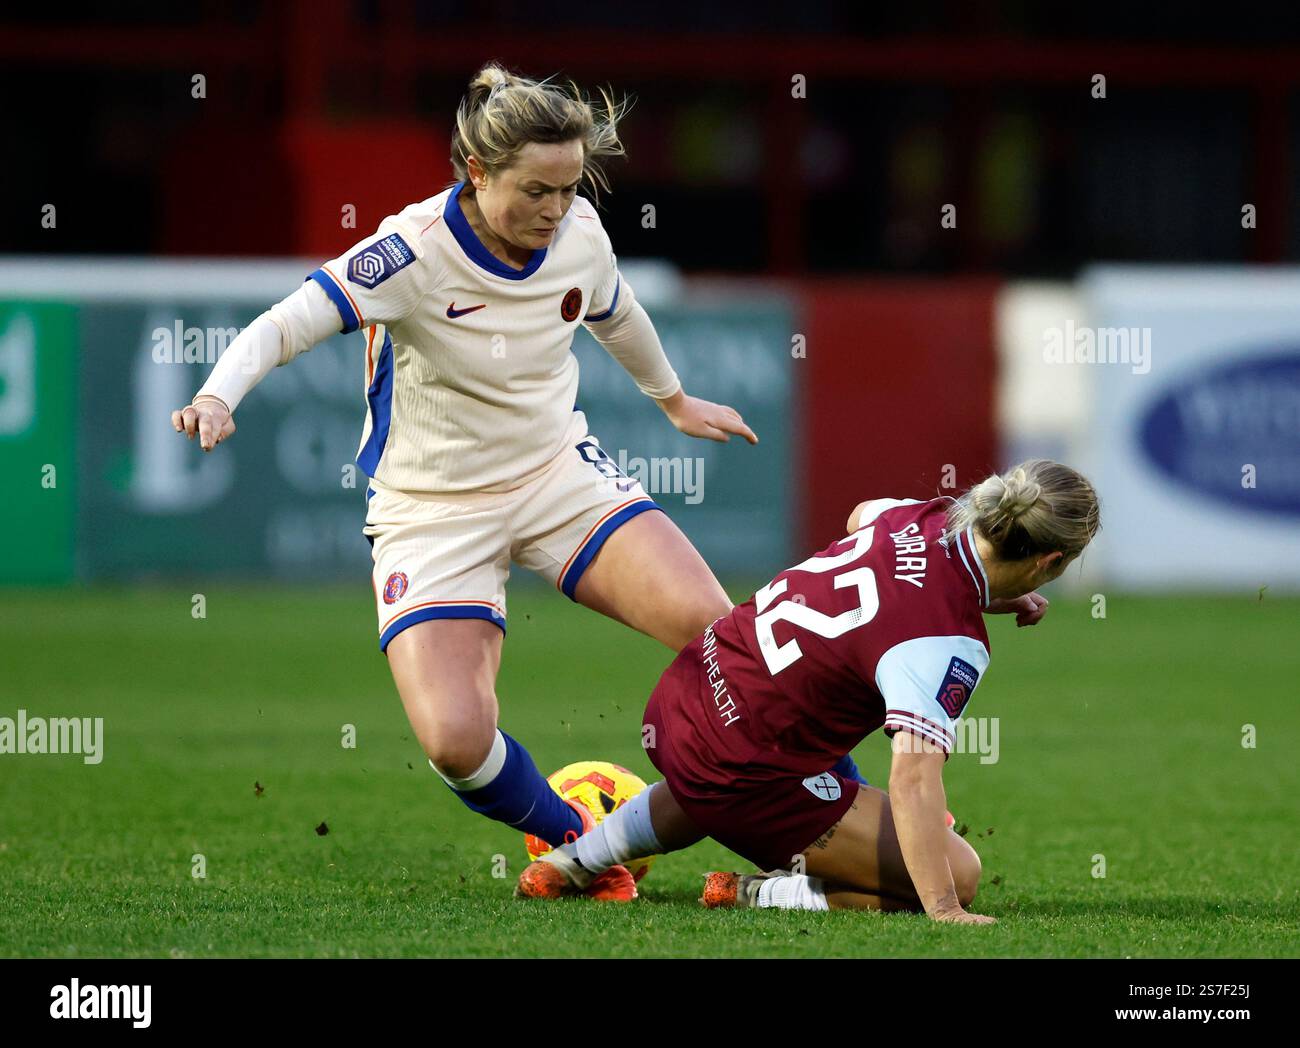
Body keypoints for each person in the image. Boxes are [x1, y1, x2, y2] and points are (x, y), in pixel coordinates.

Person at [169, 63, 759, 869]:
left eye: (569, 187)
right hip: (432, 508)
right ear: (477, 173)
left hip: (558, 476)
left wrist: (673, 400)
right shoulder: (410, 252)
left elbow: (614, 309)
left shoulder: (579, 231)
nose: (556, 210)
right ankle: (582, 845)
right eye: (535, 191)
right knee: (454, 739)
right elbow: (286, 323)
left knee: (725, 638)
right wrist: (217, 394)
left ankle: (817, 825)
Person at [518, 461, 1101, 923]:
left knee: (740, 758)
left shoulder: (923, 516)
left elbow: (860, 518)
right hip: (740, 771)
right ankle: (763, 895)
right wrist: (944, 907)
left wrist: (994, 594)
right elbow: (913, 777)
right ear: (1049, 561)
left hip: (684, 696)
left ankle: (572, 862)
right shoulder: (947, 641)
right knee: (956, 867)